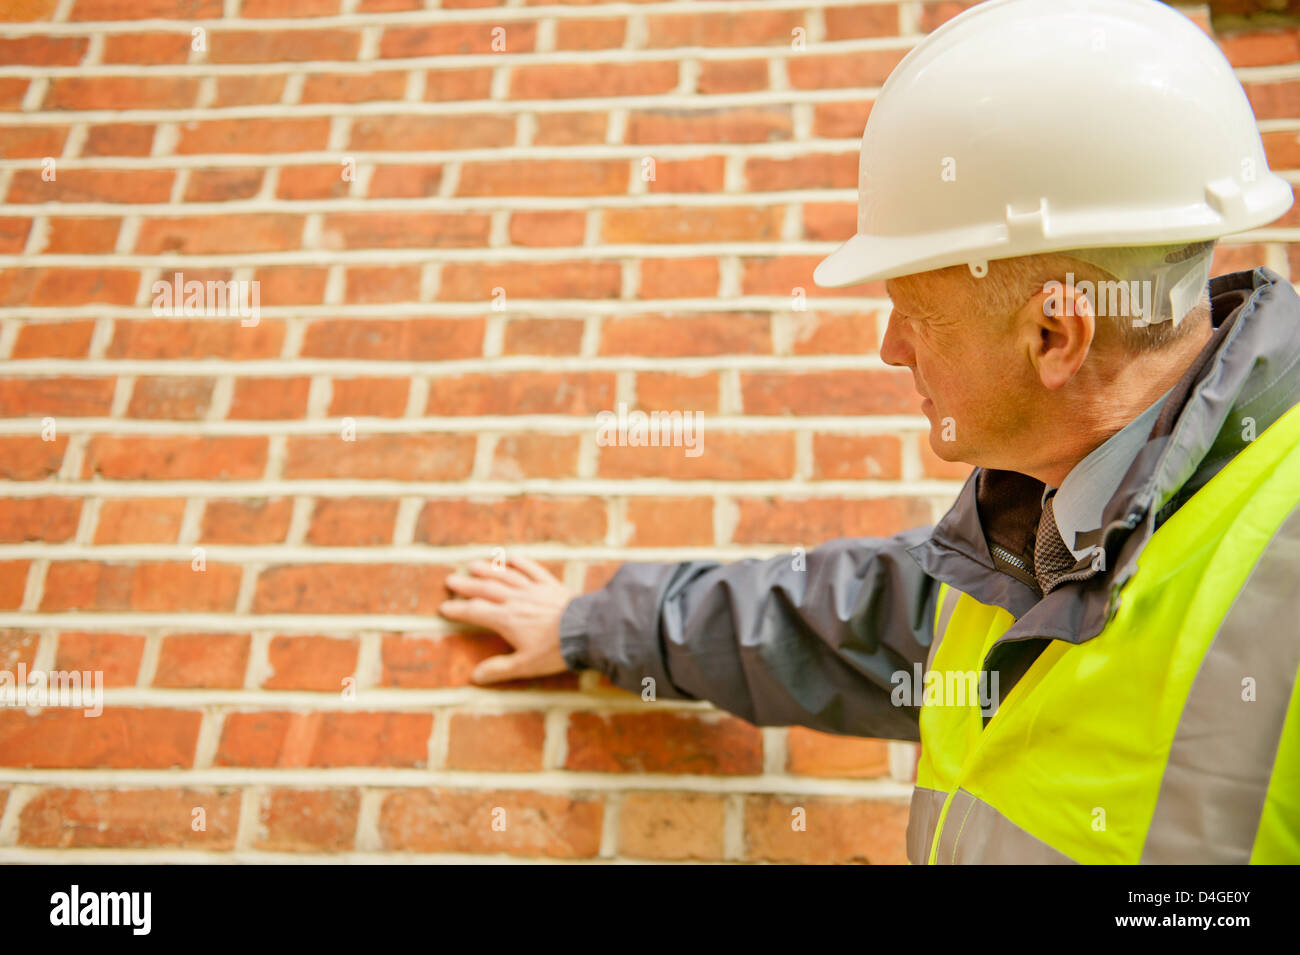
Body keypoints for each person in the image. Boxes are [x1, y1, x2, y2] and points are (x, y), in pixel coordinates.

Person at [439, 0, 1300, 863]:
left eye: (915, 313)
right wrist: (596, 623)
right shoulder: (1041, 542)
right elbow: (842, 619)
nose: (889, 349)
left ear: (1054, 336)